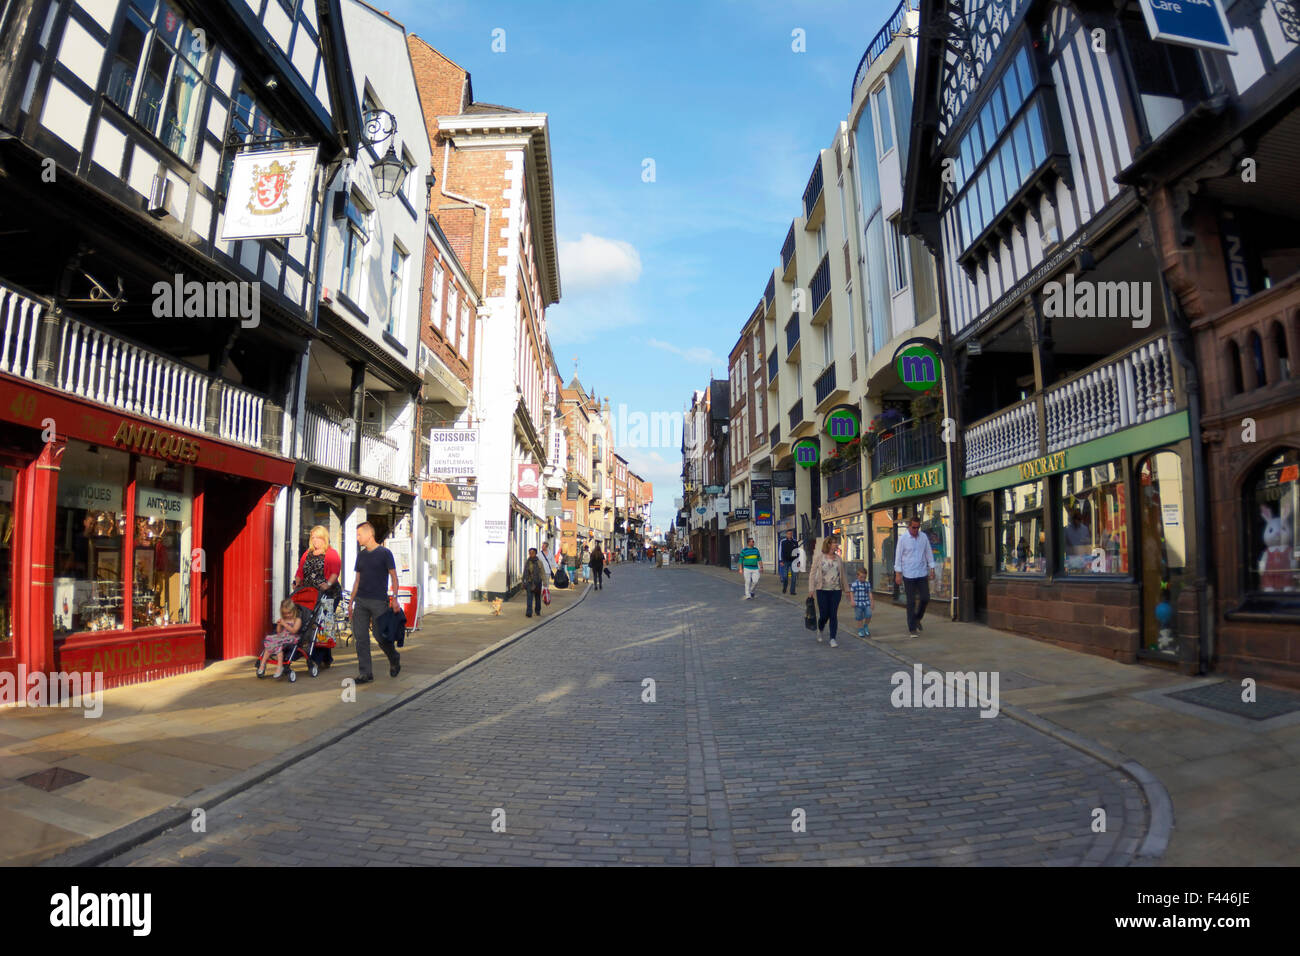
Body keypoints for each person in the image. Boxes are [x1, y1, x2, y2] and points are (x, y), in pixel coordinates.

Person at [347, 522, 402, 682]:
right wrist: (351, 603)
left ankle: (394, 658)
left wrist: (395, 599)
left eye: (359, 535)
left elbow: (393, 576)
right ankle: (365, 673)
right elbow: (357, 581)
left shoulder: (385, 553)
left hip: (379, 601)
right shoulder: (361, 555)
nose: (357, 538)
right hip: (361, 601)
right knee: (360, 637)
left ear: (369, 534)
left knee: (380, 636)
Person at [894, 515, 936, 637]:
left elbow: (928, 552)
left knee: (925, 598)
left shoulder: (923, 537)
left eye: (918, 528)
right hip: (908, 574)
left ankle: (918, 618)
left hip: (922, 572)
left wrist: (932, 568)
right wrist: (898, 573)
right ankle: (912, 628)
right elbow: (898, 556)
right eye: (913, 528)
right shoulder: (903, 539)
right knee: (911, 602)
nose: (915, 530)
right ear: (909, 526)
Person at [808, 535, 850, 647]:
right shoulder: (819, 557)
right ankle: (820, 629)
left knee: (833, 614)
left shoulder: (839, 559)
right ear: (828, 545)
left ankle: (832, 638)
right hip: (822, 590)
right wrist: (811, 589)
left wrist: (847, 589)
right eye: (834, 543)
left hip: (836, 590)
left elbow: (843, 575)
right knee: (824, 614)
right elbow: (812, 573)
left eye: (836, 543)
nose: (836, 545)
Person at [258, 599, 303, 679]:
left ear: (294, 611)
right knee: (269, 644)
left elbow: (294, 630)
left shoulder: (297, 620)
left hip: (291, 637)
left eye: (289, 613)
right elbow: (279, 632)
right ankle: (262, 664)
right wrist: (279, 625)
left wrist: (285, 624)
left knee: (278, 646)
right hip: (282, 636)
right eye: (285, 614)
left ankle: (279, 666)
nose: (287, 615)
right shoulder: (284, 619)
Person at [522, 547, 545, 617]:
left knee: (537, 598)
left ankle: (537, 610)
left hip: (537, 582)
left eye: (532, 553)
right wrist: (523, 581)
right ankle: (529, 612)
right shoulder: (527, 562)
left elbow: (542, 572)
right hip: (529, 582)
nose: (531, 554)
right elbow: (525, 572)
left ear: (535, 553)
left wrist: (545, 582)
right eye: (530, 553)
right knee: (529, 598)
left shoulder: (539, 562)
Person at [851, 568, 873, 637]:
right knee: (859, 617)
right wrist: (852, 601)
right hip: (858, 604)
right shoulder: (854, 584)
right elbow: (851, 592)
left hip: (866, 603)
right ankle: (860, 629)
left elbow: (869, 593)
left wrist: (872, 601)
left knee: (869, 614)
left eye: (864, 577)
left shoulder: (867, 584)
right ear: (857, 576)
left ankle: (865, 626)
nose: (863, 579)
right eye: (861, 577)